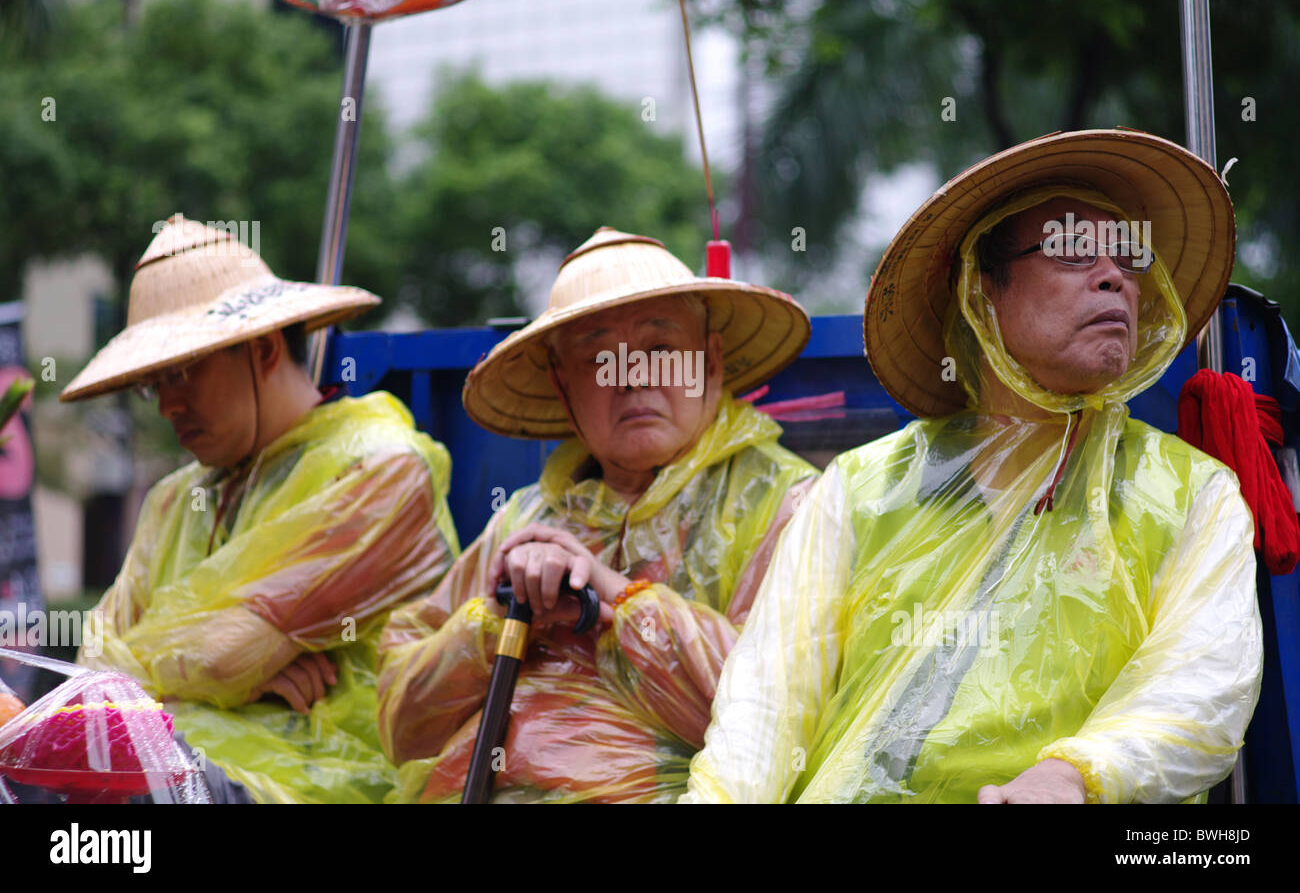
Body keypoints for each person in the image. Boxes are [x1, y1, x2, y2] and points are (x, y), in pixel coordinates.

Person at [683, 129, 1264, 804]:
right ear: (983, 289)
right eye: (1071, 248)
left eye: (1129, 257)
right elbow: (766, 705)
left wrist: (1075, 774)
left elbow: (1203, 685)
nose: (1114, 276)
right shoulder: (863, 487)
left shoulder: (1192, 493)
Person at [376, 227, 818, 802]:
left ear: (709, 362)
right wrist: (499, 618)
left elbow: (776, 717)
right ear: (563, 386)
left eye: (660, 352)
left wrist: (610, 596)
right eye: (598, 359)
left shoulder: (785, 501)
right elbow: (402, 726)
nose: (632, 377)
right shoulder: (524, 520)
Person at [62, 215, 460, 803]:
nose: (168, 405)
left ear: (266, 349)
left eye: (181, 372)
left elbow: (220, 657)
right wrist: (222, 674)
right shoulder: (172, 499)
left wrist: (200, 673)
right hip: (167, 773)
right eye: (154, 383)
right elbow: (90, 677)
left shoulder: (379, 469)